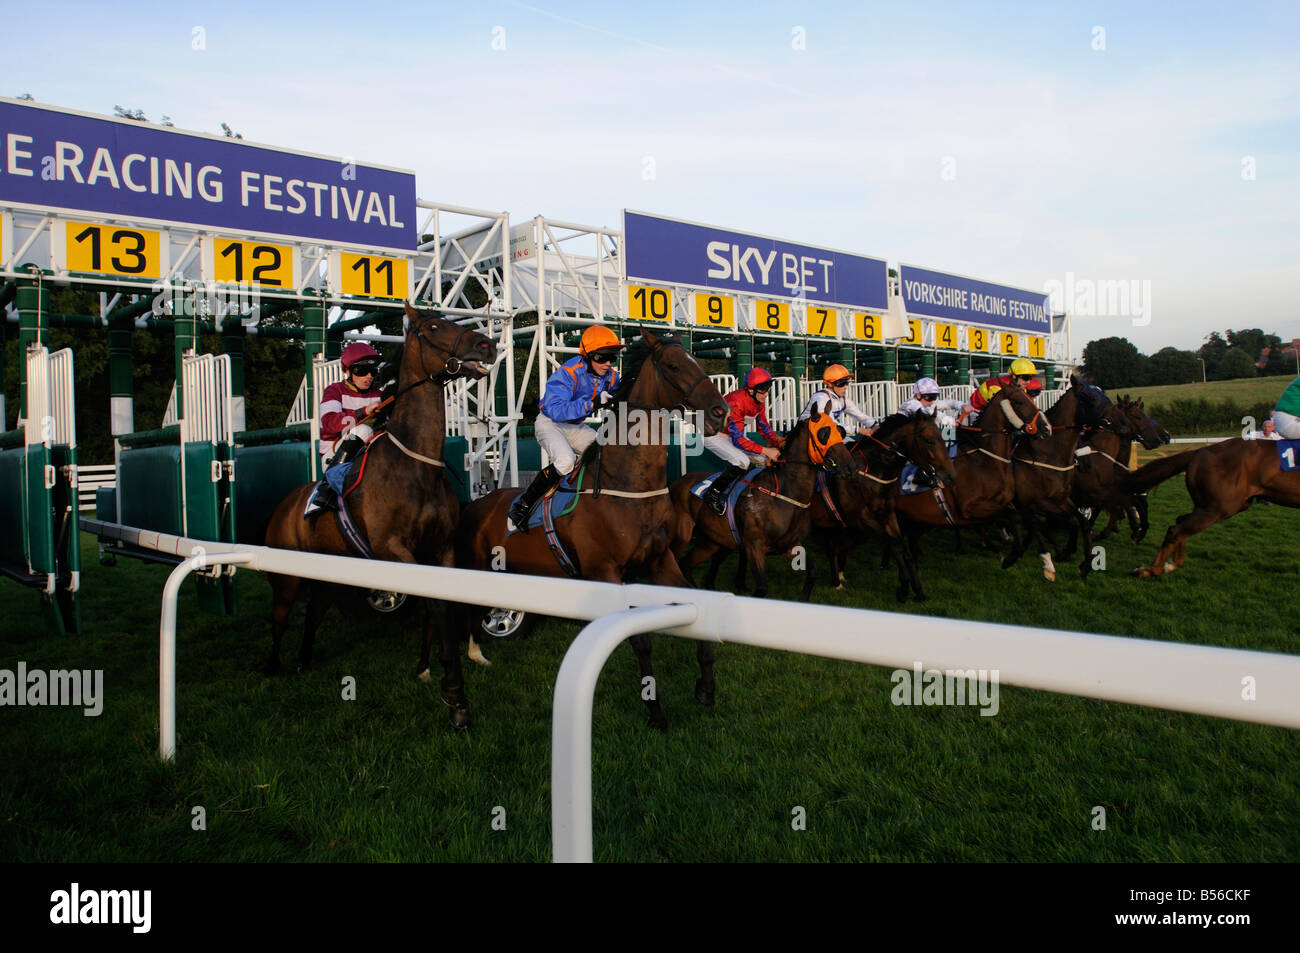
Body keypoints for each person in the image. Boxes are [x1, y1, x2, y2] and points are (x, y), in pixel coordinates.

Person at [508, 325, 623, 529]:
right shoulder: (567, 373)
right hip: (550, 423)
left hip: (575, 427)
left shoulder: (612, 377)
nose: (607, 364)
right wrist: (593, 403)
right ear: (587, 356)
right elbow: (556, 410)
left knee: (605, 456)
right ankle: (524, 503)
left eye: (611, 358)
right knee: (565, 462)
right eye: (601, 358)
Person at [702, 367, 786, 516]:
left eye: (768, 389)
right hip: (712, 435)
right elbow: (738, 441)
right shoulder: (736, 402)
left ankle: (746, 492)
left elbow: (764, 427)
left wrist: (778, 442)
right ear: (751, 390)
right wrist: (767, 450)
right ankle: (713, 494)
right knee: (742, 462)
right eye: (763, 390)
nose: (766, 394)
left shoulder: (758, 401)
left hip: (730, 435)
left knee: (761, 461)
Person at [319, 341, 383, 469]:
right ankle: (329, 481)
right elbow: (330, 422)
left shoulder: (379, 394)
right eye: (362, 371)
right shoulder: (334, 390)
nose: (369, 376)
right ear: (348, 371)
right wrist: (364, 412)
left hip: (368, 453)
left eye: (372, 371)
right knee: (364, 430)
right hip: (333, 455)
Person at [797, 364, 879, 435]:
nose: (845, 387)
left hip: (822, 433)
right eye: (841, 383)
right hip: (805, 434)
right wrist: (858, 430)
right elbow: (831, 424)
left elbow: (860, 416)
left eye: (846, 382)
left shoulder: (843, 399)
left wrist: (875, 426)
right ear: (829, 384)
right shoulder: (821, 398)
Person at [966, 358, 1041, 423]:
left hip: (987, 410)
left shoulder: (1021, 388)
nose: (1028, 382)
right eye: (1026, 377)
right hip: (974, 409)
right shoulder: (997, 387)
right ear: (1014, 376)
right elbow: (1001, 411)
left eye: (1030, 377)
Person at [896, 377, 971, 420]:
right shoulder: (911, 404)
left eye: (934, 397)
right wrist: (952, 421)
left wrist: (962, 406)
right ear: (918, 396)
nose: (932, 402)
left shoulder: (926, 402)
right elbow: (929, 412)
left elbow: (948, 403)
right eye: (930, 397)